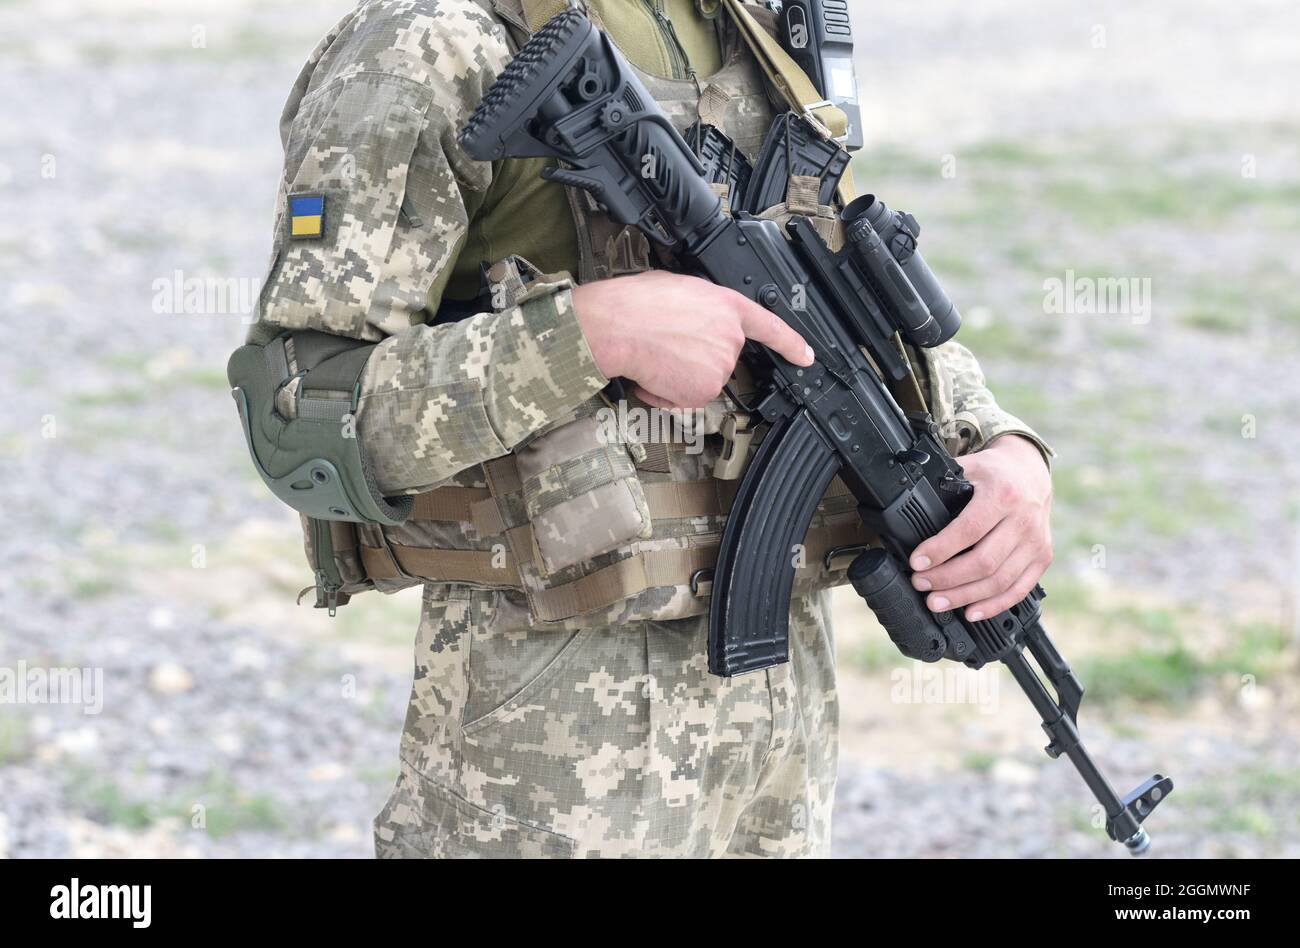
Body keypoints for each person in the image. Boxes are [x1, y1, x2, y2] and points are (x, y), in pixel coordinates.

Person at [236, 0, 1054, 858]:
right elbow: (299, 414)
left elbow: (839, 307)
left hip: (779, 727)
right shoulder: (432, 40)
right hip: (555, 751)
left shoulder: (762, 30)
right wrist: (585, 337)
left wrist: (1003, 448)